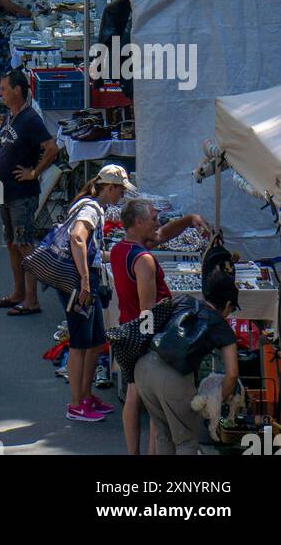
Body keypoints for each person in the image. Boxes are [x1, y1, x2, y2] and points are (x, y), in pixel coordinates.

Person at [111, 196, 211, 455]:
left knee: (134, 395)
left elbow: (162, 234)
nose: (159, 222)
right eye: (153, 218)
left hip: (127, 330)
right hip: (145, 337)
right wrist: (156, 346)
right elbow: (149, 311)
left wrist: (189, 220)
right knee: (152, 402)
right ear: (137, 222)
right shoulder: (143, 259)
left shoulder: (121, 249)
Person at [133, 268, 241, 456]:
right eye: (231, 309)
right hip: (172, 377)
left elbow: (149, 319)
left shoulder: (182, 300)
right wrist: (215, 400)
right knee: (186, 442)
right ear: (228, 304)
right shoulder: (222, 327)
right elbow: (232, 373)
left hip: (144, 367)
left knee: (163, 434)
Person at [57, 165, 134, 422]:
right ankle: (76, 404)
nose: (122, 196)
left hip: (81, 280)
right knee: (80, 344)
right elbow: (77, 238)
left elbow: (88, 246)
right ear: (109, 187)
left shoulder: (92, 206)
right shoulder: (90, 209)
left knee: (96, 341)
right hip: (77, 284)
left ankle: (85, 396)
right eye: (121, 190)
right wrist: (85, 281)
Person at [0, 69, 59, 317]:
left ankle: (31, 299)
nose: (0, 94)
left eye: (4, 89)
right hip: (2, 190)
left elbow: (52, 148)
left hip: (21, 193)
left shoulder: (30, 118)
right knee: (11, 243)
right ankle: (18, 292)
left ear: (17, 90)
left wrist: (34, 172)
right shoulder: (10, 115)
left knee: (24, 243)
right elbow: (1, 151)